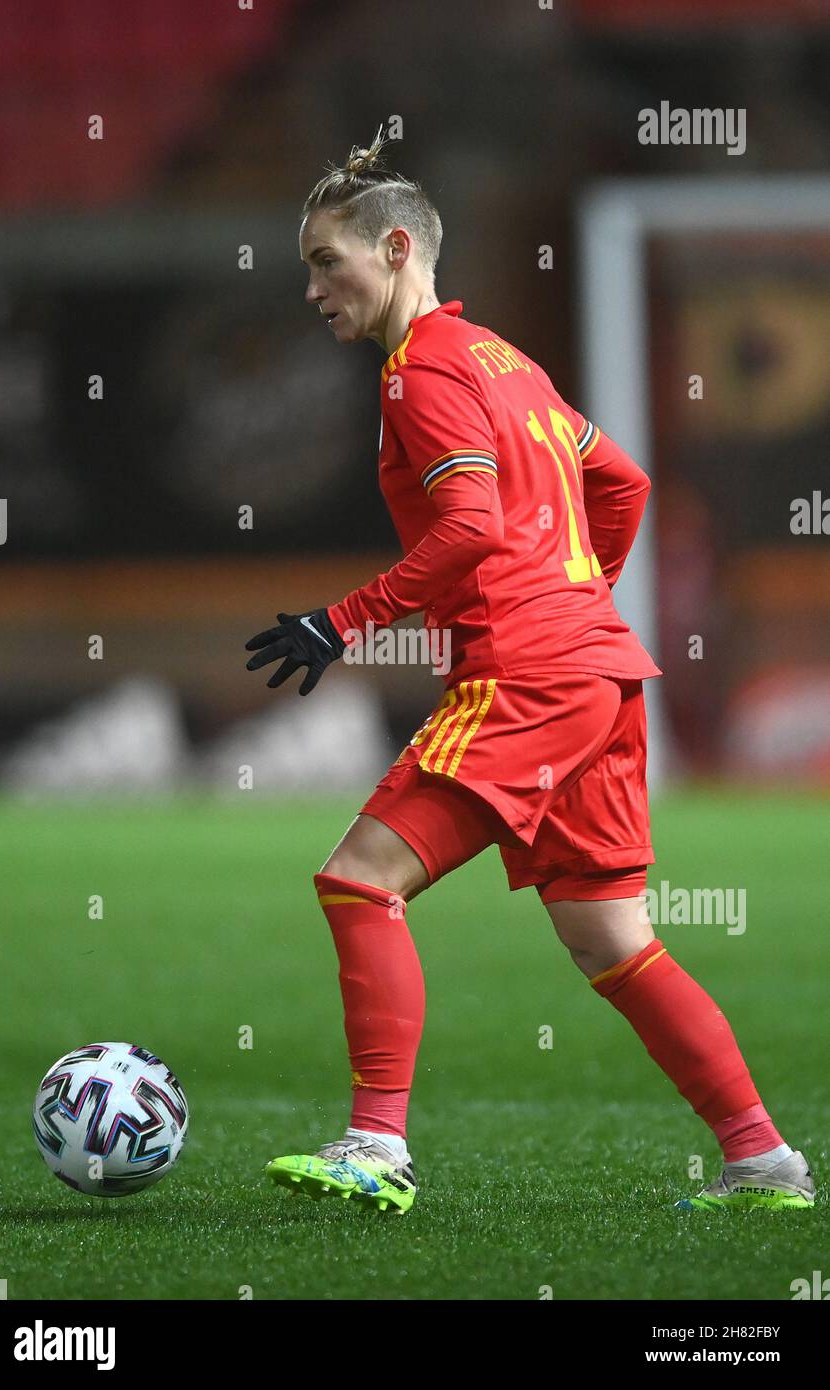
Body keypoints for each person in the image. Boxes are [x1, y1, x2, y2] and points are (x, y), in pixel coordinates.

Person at [245, 130, 813, 1216]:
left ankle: (375, 1146)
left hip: (527, 674)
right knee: (609, 934)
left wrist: (343, 619)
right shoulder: (508, 361)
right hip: (596, 670)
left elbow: (466, 525)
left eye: (326, 261)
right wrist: (578, 591)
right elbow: (626, 482)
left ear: (397, 246)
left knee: (358, 879)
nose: (313, 287)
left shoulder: (421, 374)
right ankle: (762, 1161)